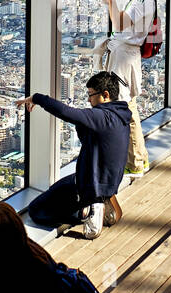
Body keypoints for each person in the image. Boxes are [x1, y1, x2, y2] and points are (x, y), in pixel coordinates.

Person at [18, 71, 131, 238]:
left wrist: (37, 98)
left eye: (91, 95)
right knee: (55, 189)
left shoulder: (101, 117)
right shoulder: (121, 115)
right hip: (105, 179)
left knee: (36, 210)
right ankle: (100, 199)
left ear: (105, 95)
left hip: (90, 185)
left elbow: (66, 112)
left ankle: (87, 211)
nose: (88, 100)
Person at [97, 0, 157, 176]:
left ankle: (137, 161)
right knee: (125, 106)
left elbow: (120, 23)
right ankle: (135, 159)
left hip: (124, 58)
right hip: (124, 55)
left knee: (126, 107)